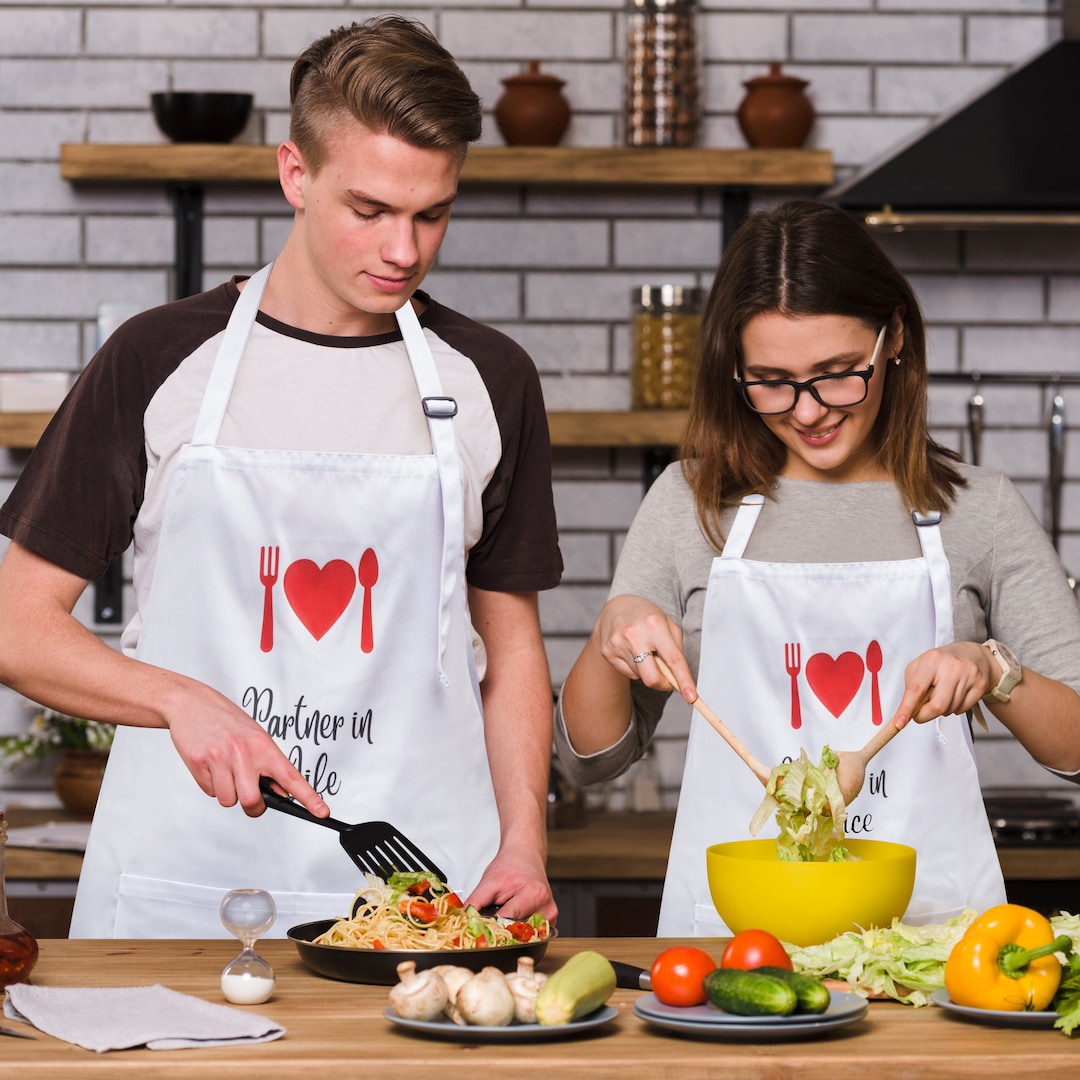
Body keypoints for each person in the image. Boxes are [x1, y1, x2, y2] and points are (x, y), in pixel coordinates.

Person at [0, 16, 562, 937]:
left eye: (433, 213)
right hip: (184, 890)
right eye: (370, 210)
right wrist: (178, 698)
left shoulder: (488, 378)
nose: (403, 251)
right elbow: (16, 627)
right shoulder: (159, 356)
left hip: (418, 895)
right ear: (294, 174)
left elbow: (512, 655)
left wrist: (525, 840)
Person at [556, 200, 1080, 937]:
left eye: (837, 374)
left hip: (929, 944)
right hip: (737, 946)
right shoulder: (691, 504)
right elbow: (588, 759)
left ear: (892, 338)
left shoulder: (979, 511)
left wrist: (995, 670)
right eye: (771, 380)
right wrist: (609, 636)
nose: (808, 411)